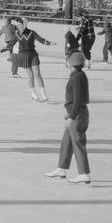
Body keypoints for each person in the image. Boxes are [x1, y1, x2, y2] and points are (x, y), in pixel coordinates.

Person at [45, 51, 91, 184]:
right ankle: (61, 168)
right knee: (67, 142)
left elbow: (78, 100)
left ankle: (84, 173)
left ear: (72, 63)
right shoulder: (79, 75)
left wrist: (71, 117)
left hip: (78, 116)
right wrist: (70, 113)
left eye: (68, 61)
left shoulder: (77, 77)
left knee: (77, 142)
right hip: (76, 113)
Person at [13, 17, 53, 102]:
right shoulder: (16, 33)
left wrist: (50, 43)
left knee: (37, 74)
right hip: (23, 56)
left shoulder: (31, 32)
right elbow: (11, 43)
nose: (18, 27)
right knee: (30, 76)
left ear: (24, 24)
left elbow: (41, 39)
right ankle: (33, 93)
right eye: (17, 25)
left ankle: (43, 93)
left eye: (19, 25)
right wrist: (3, 50)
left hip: (33, 55)